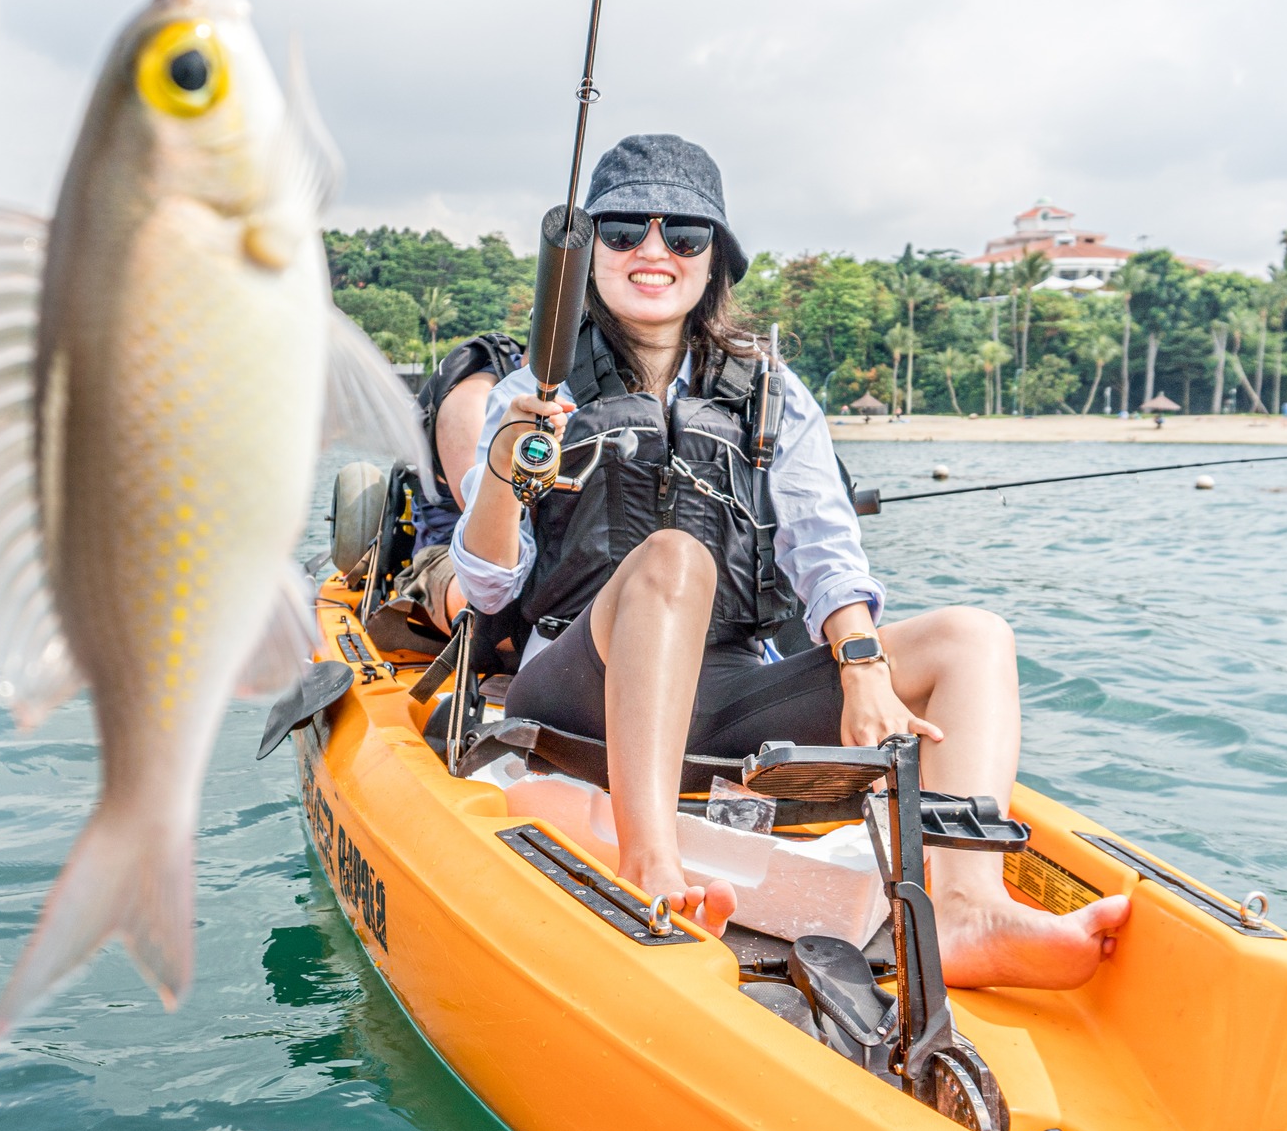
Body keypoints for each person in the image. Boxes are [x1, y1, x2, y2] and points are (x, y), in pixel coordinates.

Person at [451, 134, 1129, 989]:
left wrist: (862, 665)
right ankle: (650, 863)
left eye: (684, 236)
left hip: (729, 693)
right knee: (673, 557)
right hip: (579, 690)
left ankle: (962, 908)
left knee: (973, 637)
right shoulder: (532, 392)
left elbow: (824, 542)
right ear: (589, 255)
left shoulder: (772, 390)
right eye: (624, 231)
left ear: (713, 262)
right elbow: (484, 583)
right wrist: (507, 476)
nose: (653, 251)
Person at [380, 332, 525, 642]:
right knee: (503, 615)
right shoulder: (473, 398)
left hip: (555, 552)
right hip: (451, 557)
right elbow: (485, 544)